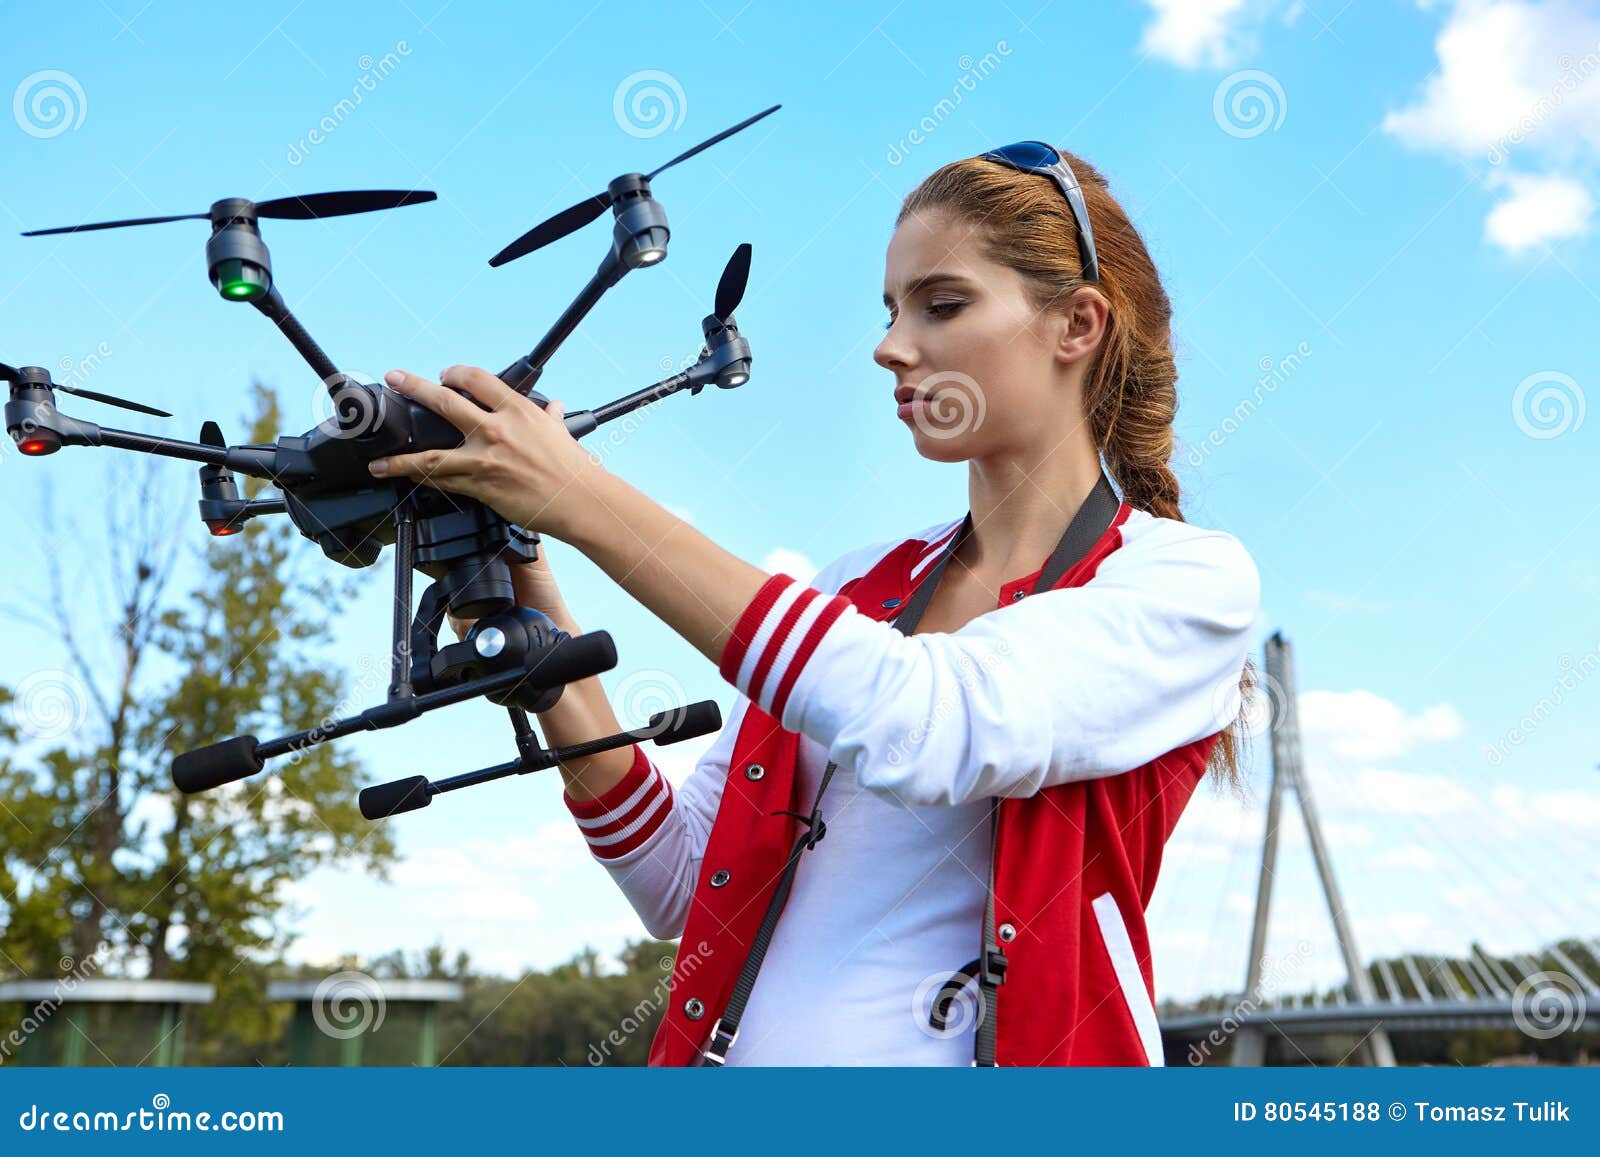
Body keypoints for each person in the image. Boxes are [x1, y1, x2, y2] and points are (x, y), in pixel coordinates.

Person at [368, 142, 1260, 1066]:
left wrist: (577, 494)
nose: (890, 346)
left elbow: (930, 723)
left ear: (1077, 324)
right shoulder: (851, 589)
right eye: (891, 309)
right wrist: (526, 614)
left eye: (942, 305)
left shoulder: (1186, 581)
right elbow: (682, 884)